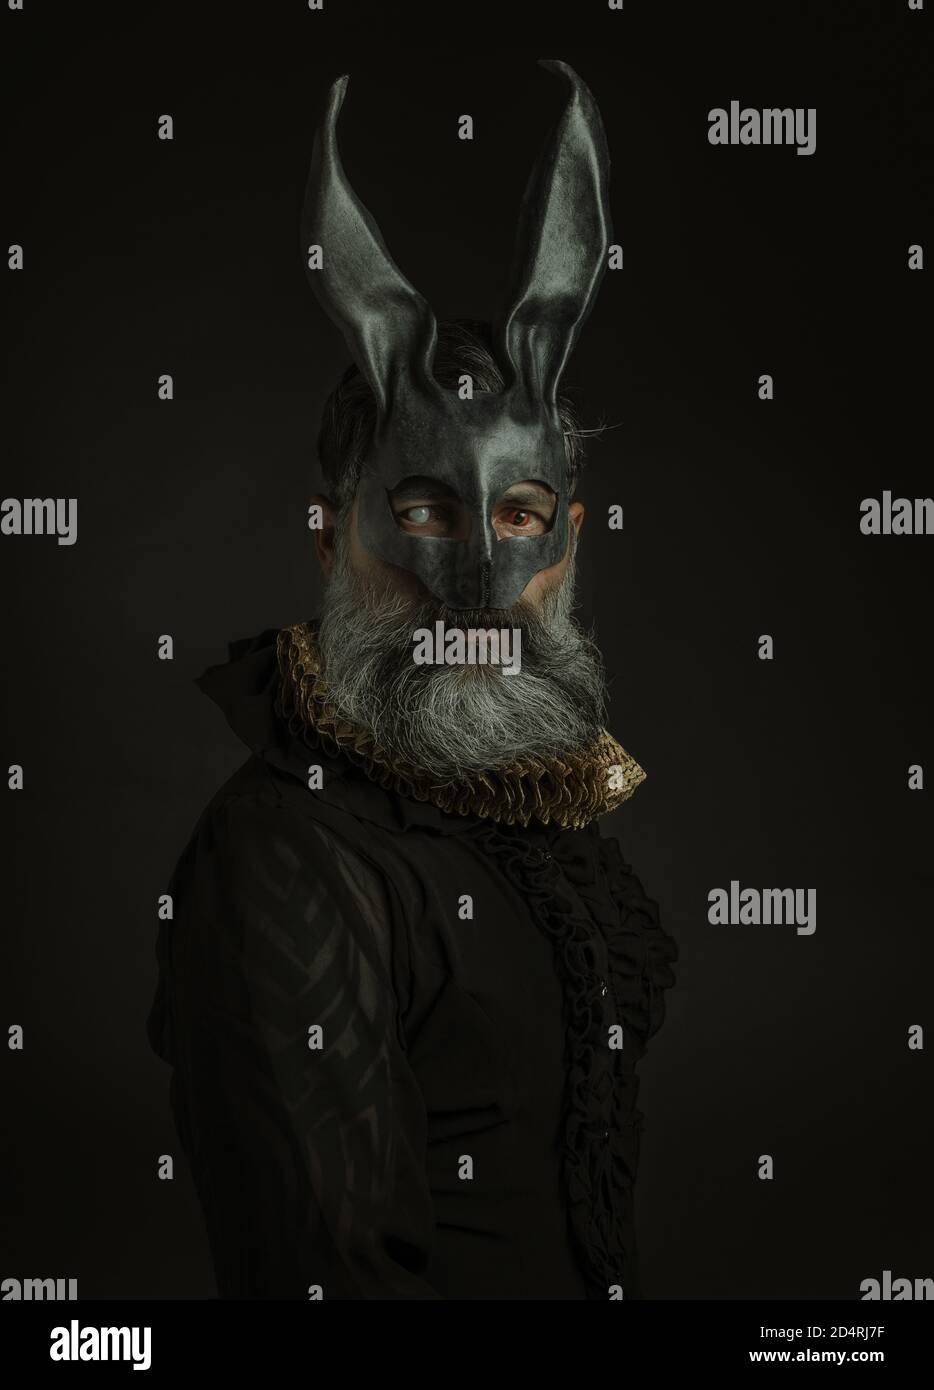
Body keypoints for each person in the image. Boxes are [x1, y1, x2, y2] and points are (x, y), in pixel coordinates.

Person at [146, 59, 678, 1301]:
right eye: (428, 511)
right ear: (332, 537)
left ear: (573, 538)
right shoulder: (282, 855)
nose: (480, 583)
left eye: (522, 514)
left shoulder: (537, 810)